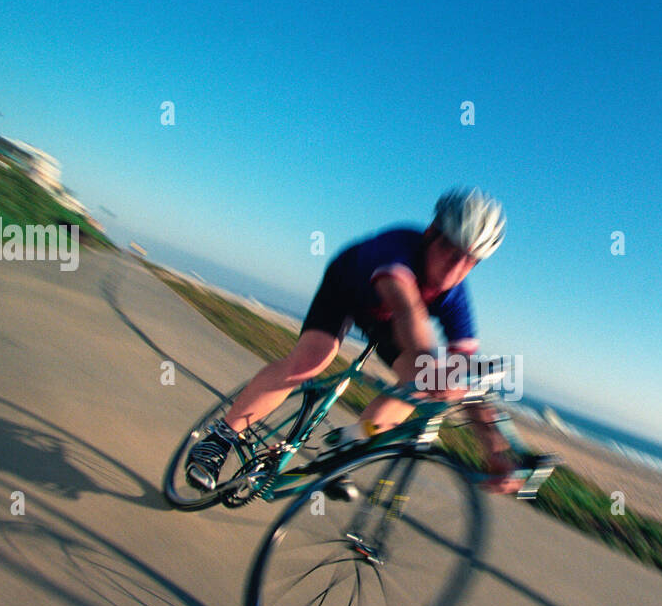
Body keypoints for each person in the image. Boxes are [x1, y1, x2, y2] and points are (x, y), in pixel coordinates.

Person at [186, 187, 526, 494]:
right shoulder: (399, 249)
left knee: (422, 385)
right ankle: (221, 437)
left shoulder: (457, 298)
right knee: (312, 360)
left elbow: (466, 378)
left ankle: (346, 447)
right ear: (431, 233)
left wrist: (494, 449)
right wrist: (433, 367)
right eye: (452, 250)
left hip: (388, 320)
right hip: (348, 290)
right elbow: (408, 311)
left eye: (471, 261)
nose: (456, 269)